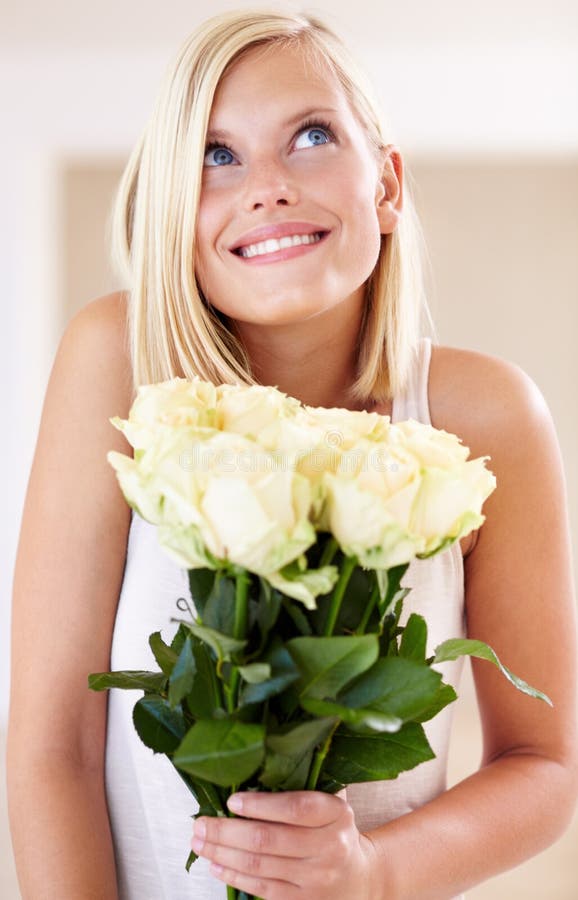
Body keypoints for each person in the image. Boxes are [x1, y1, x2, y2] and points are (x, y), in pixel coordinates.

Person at [7, 7, 578, 899]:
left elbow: (542, 764)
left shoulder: (491, 415)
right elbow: (53, 749)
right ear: (173, 206)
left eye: (310, 135)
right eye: (215, 155)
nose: (265, 187)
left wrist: (375, 871)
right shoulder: (118, 362)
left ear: (388, 185)